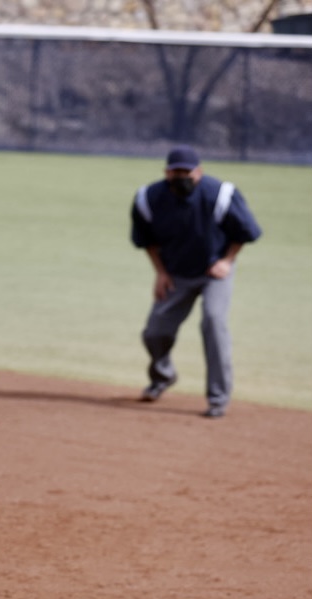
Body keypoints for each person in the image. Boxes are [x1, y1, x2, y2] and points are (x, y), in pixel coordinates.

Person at [131, 145, 263, 419]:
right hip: (176, 272)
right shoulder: (148, 198)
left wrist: (226, 260)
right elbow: (147, 241)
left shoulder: (221, 194)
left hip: (214, 271)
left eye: (186, 171)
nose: (180, 176)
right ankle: (162, 377)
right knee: (155, 332)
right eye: (174, 171)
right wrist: (160, 272)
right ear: (166, 173)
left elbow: (246, 232)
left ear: (198, 172)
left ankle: (218, 398)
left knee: (213, 322)